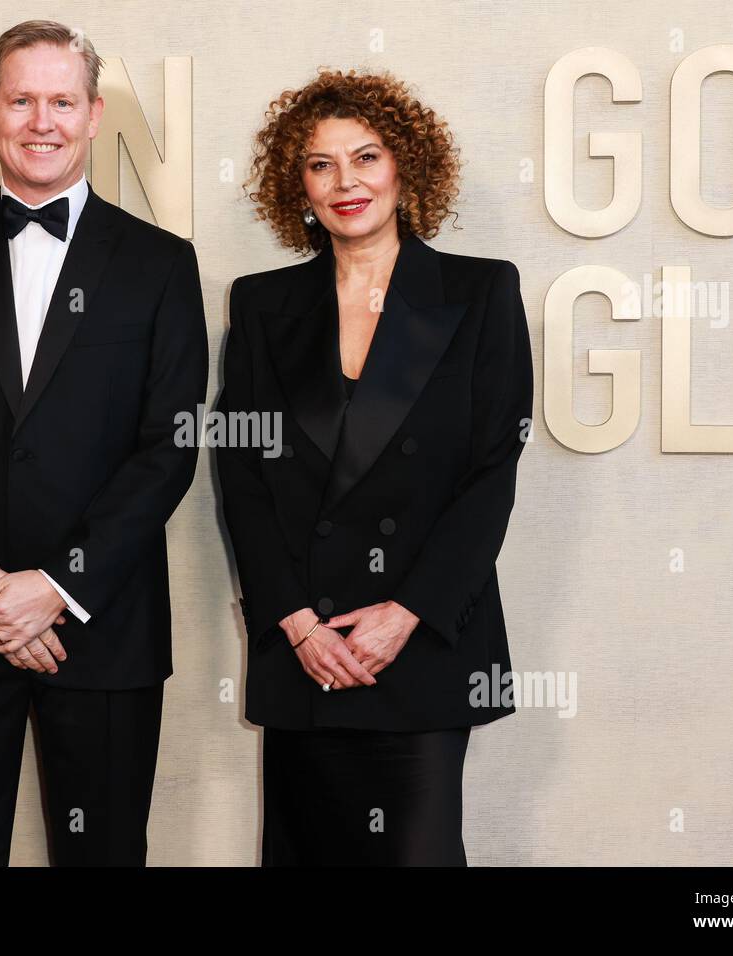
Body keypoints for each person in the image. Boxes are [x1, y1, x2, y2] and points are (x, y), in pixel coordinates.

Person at [0, 20, 208, 865]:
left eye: (62, 100)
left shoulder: (162, 263)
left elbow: (168, 448)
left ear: (95, 116)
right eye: (22, 99)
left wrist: (58, 585)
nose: (41, 120)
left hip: (101, 622)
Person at [214, 68, 533, 865]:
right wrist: (292, 620)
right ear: (299, 185)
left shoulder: (481, 291)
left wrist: (408, 611)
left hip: (421, 646)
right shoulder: (260, 304)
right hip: (306, 652)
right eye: (321, 165)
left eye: (367, 157)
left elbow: (492, 473)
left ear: (405, 168)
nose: (345, 182)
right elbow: (242, 481)